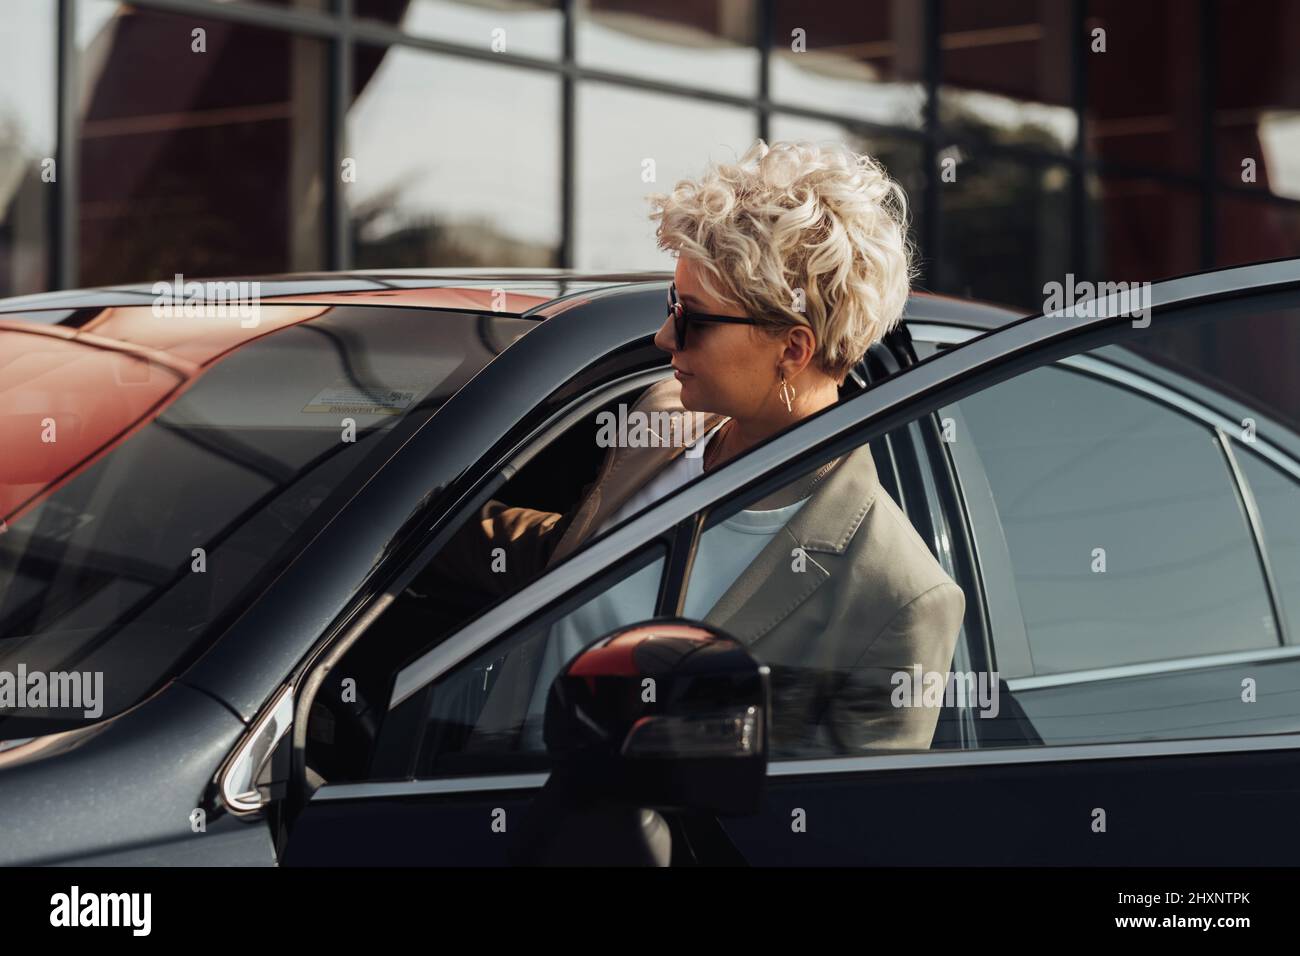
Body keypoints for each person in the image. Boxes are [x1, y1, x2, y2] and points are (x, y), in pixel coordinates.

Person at [431, 139, 965, 755]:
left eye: (693, 318)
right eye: (670, 305)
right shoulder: (662, 421)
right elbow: (570, 559)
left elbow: (834, 833)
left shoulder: (897, 596)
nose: (664, 337)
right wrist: (370, 524)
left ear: (793, 349)